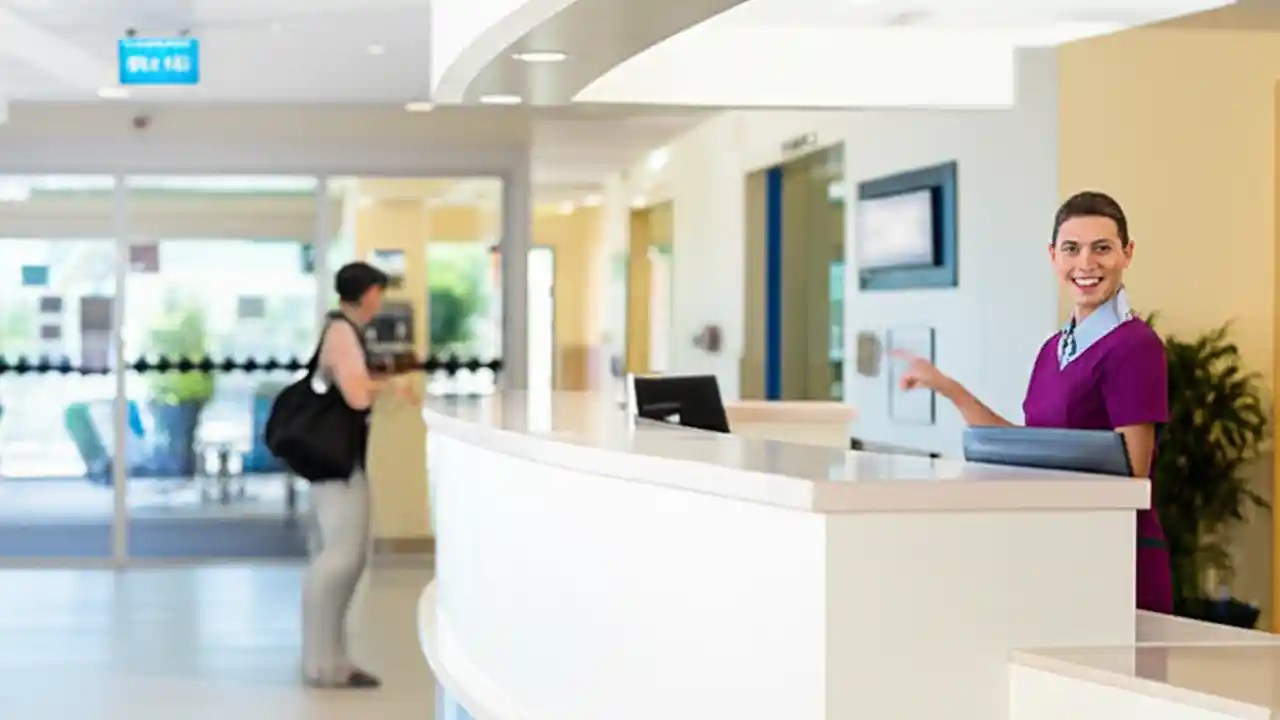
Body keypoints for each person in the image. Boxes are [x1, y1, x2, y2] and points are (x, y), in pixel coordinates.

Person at [896, 191, 1173, 614]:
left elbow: (1132, 470)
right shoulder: (1052, 350)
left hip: (1114, 556)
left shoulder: (1135, 346)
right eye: (1071, 249)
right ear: (1052, 256)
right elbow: (1029, 447)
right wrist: (947, 387)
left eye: (1102, 248)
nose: (1086, 263)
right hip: (1056, 550)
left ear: (1127, 254)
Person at [302, 261, 416, 689]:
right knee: (341, 557)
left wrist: (381, 380)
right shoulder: (342, 333)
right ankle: (322, 661)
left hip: (341, 460)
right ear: (369, 293)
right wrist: (390, 388)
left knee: (345, 557)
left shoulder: (342, 330)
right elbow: (354, 395)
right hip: (337, 463)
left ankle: (332, 659)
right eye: (378, 291)